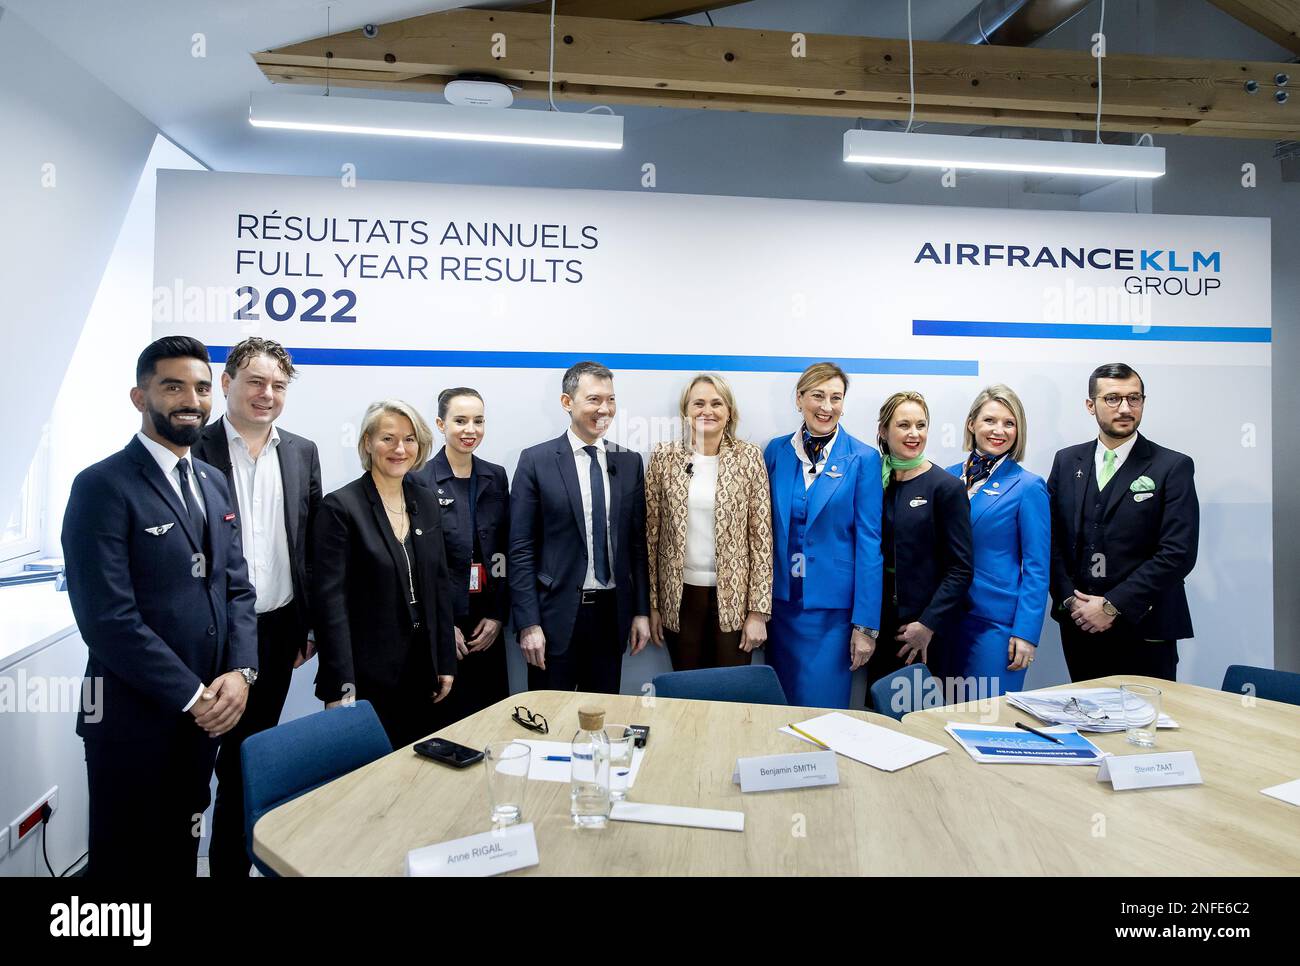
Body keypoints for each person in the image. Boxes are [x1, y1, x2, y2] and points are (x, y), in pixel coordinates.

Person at [61, 336, 258, 877]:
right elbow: (107, 620)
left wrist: (240, 673)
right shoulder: (102, 486)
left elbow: (237, 587)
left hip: (207, 716)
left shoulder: (213, 483)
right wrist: (192, 695)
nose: (190, 400)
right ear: (138, 396)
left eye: (199, 387)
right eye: (173, 386)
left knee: (178, 855)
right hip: (133, 720)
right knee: (125, 868)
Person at [192, 337, 322, 878]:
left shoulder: (301, 451)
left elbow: (310, 543)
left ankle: (229, 870)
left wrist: (308, 625)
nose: (266, 394)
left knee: (248, 769)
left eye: (278, 386)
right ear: (226, 385)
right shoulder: (190, 449)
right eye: (255, 382)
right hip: (202, 635)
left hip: (275, 632)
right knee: (191, 771)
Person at [312, 400, 456, 748]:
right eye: (388, 438)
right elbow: (330, 606)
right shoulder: (340, 507)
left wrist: (446, 660)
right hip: (365, 676)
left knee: (420, 773)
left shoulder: (425, 500)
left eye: (409, 439)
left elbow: (438, 586)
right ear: (366, 443)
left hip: (422, 670)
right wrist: (341, 684)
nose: (399, 449)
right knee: (369, 780)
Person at [1047, 363, 1199, 682]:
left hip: (1146, 627)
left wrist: (1113, 605)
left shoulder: (1172, 466)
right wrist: (1070, 600)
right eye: (1113, 399)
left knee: (1143, 726)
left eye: (1134, 398)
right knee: (1088, 722)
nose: (1125, 408)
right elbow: (1050, 542)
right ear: (1091, 405)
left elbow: (1177, 553)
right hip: (1080, 625)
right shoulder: (1065, 461)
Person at [509, 361, 650, 693]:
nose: (605, 409)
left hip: (611, 617)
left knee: (599, 720)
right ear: (566, 402)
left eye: (611, 399)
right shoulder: (536, 461)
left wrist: (641, 611)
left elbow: (637, 545)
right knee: (547, 723)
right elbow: (520, 549)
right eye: (594, 399)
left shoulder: (629, 462)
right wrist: (528, 623)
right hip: (554, 619)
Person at [763, 362, 883, 709]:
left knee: (823, 715)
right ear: (800, 399)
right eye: (817, 396)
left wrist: (865, 626)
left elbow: (870, 545)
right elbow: (762, 531)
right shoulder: (775, 451)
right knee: (778, 712)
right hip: (782, 609)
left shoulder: (863, 459)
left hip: (833, 617)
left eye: (835, 398)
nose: (826, 407)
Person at [645, 374, 772, 670]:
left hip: (735, 601)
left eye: (717, 403)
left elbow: (762, 538)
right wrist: (652, 605)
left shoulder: (749, 458)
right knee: (687, 692)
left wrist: (758, 612)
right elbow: (650, 536)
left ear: (729, 412)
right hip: (679, 598)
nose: (707, 410)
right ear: (685, 411)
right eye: (698, 403)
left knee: (730, 696)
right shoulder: (664, 457)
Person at [410, 387, 510, 725]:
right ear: (441, 424)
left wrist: (498, 616)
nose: (471, 430)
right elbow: (414, 563)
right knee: (447, 723)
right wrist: (441, 626)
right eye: (461, 420)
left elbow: (505, 552)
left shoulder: (495, 476)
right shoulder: (418, 479)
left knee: (491, 718)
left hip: (487, 623)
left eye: (478, 421)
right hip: (442, 622)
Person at [944, 385, 1049, 699]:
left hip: (995, 627)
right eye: (990, 420)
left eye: (1009, 423)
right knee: (941, 720)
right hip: (944, 622)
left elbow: (1037, 567)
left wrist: (1026, 633)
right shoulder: (944, 478)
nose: (999, 430)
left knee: (986, 724)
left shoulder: (1028, 486)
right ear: (971, 423)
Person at [867, 391, 973, 702]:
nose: (914, 434)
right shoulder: (873, 481)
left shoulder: (947, 487)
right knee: (878, 719)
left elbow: (961, 569)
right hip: (878, 624)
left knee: (917, 721)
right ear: (884, 431)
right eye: (904, 425)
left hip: (922, 629)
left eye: (921, 425)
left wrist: (927, 624)